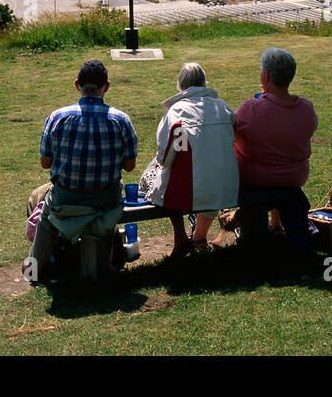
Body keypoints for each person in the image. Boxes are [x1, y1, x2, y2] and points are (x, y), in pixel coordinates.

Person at [27, 60, 137, 282]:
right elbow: (129, 166)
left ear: (77, 85)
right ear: (106, 86)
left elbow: (45, 163)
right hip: (106, 201)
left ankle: (34, 269)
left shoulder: (57, 117)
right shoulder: (121, 120)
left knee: (42, 206)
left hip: (66, 198)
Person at [140, 62, 239, 256]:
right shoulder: (223, 107)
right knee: (209, 178)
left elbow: (166, 158)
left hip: (189, 189)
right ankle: (199, 235)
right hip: (224, 183)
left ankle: (181, 237)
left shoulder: (176, 111)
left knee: (156, 178)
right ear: (204, 83)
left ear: (181, 85)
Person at [233, 47, 317, 249]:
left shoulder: (251, 109)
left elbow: (230, 136)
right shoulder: (306, 108)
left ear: (266, 75)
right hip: (293, 178)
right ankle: (279, 227)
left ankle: (254, 232)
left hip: (255, 180)